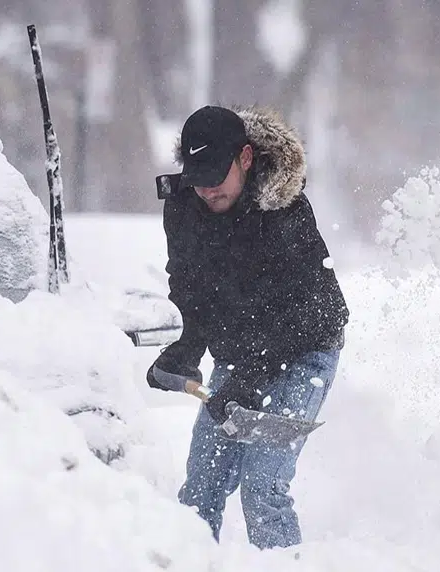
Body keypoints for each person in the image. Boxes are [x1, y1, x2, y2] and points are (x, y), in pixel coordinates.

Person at [146, 104, 349, 549]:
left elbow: (313, 312)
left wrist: (249, 380)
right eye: (197, 178)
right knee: (201, 486)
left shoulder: (283, 210)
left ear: (246, 158)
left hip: (304, 350)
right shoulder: (184, 205)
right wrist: (187, 347)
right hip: (240, 353)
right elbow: (189, 285)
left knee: (262, 489)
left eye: (216, 176)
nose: (207, 190)